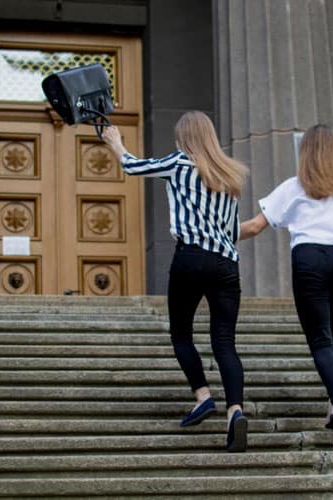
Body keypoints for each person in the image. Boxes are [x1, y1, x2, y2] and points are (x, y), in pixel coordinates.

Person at [102, 111, 250, 452]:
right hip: (227, 263)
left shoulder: (179, 163)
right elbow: (231, 232)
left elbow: (133, 167)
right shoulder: (229, 177)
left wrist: (116, 143)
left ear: (184, 137)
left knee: (181, 333)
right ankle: (235, 413)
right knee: (225, 342)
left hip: (191, 257)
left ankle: (202, 395)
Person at [239, 124, 333, 451]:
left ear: (306, 153)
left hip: (310, 260)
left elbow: (255, 227)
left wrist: (214, 233)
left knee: (320, 338)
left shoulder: (294, 187)